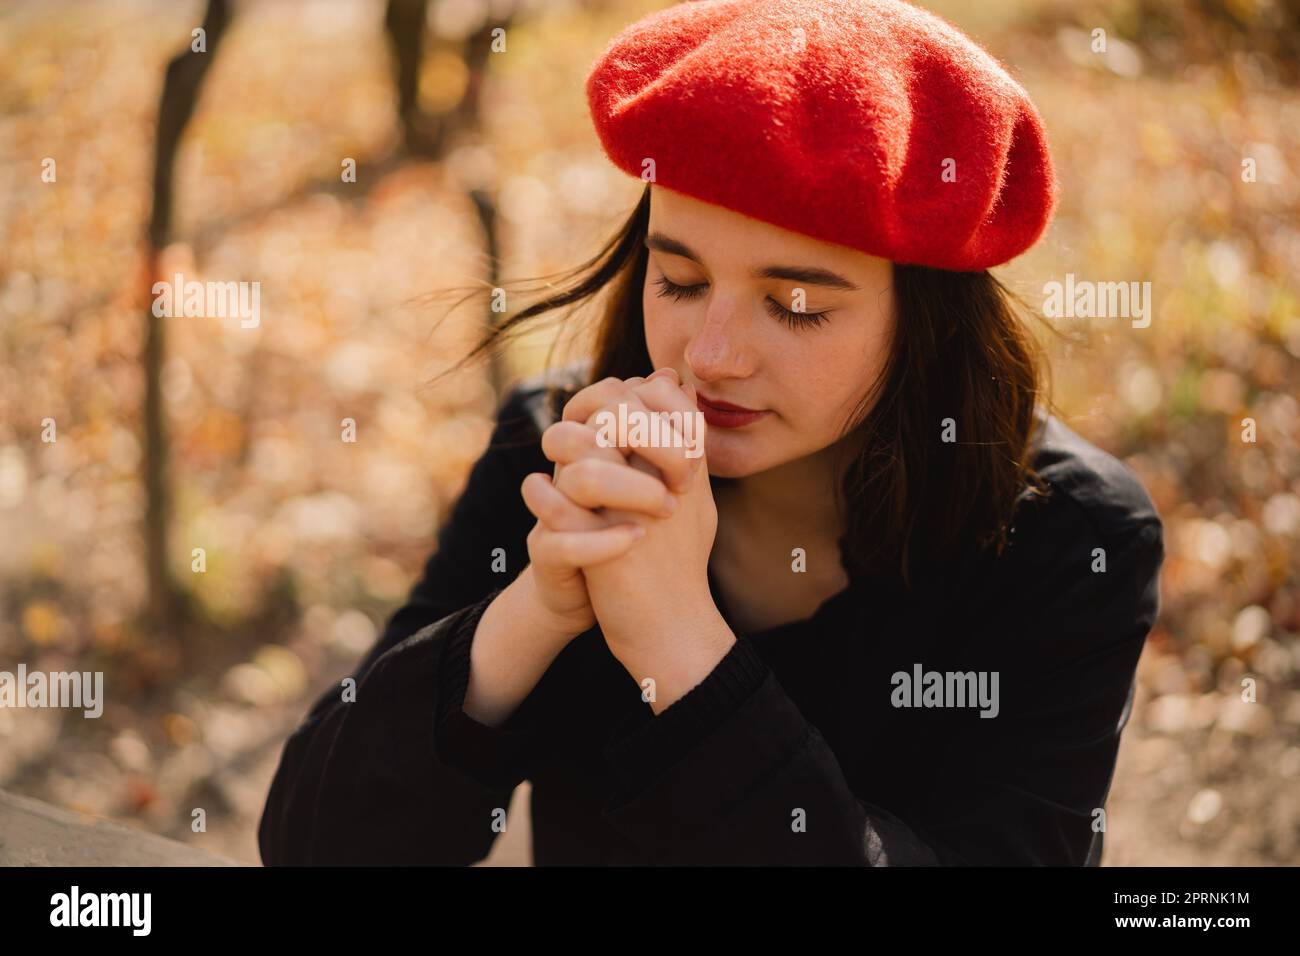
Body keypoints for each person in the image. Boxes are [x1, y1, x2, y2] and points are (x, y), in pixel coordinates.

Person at [259, 0, 1163, 866]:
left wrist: (680, 647)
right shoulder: (561, 450)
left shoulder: (1066, 538)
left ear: (930, 321)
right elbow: (313, 847)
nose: (714, 355)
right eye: (681, 283)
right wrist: (533, 613)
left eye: (796, 305)